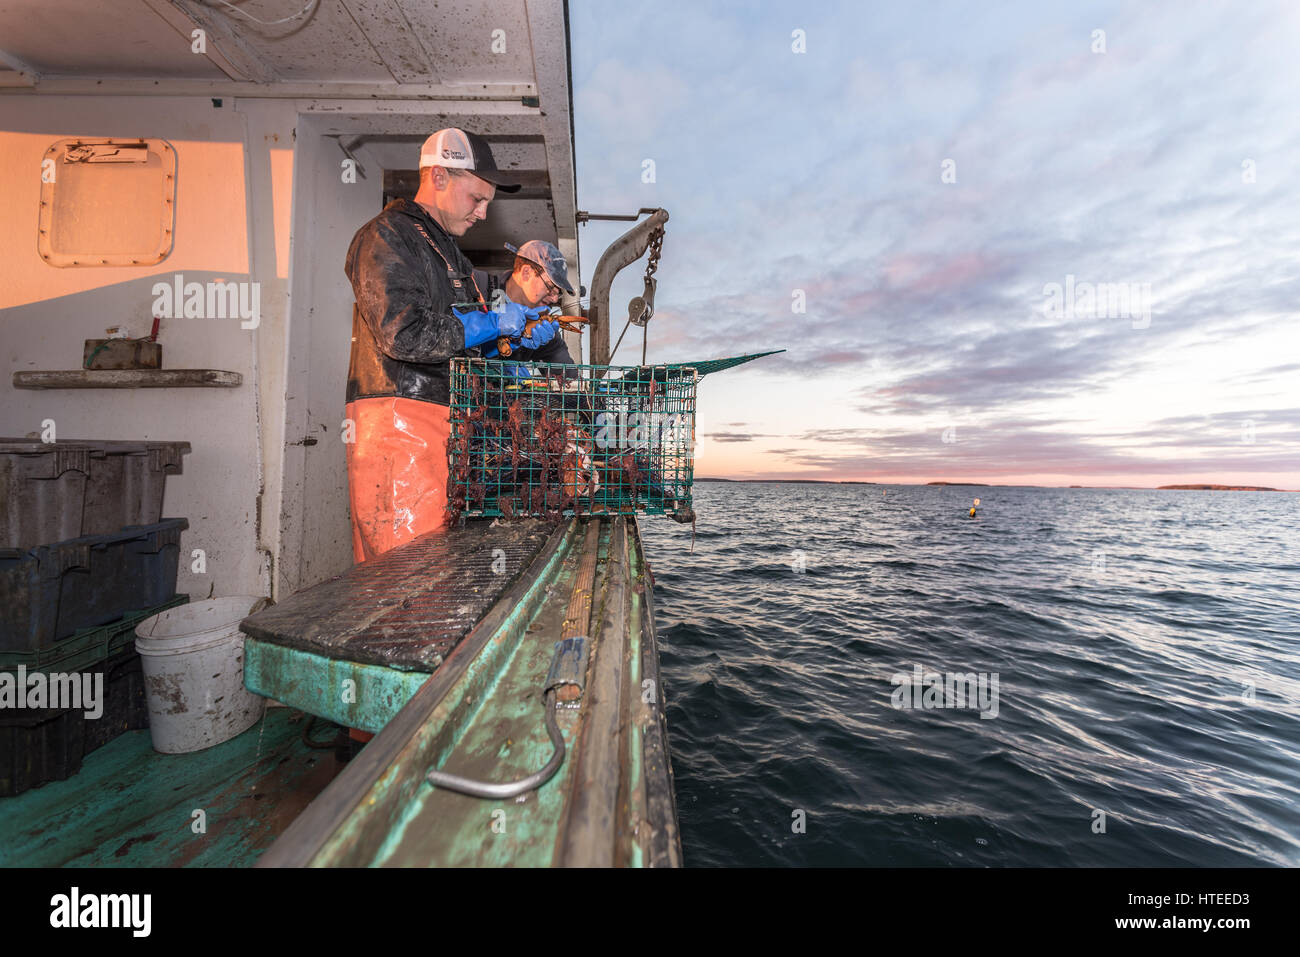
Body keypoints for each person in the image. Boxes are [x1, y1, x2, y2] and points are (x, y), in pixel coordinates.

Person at [343, 127, 542, 563]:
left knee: (440, 574)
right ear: (438, 177)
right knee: (405, 577)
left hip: (447, 430)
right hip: (401, 432)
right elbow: (403, 333)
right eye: (477, 199)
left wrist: (504, 350)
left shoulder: (450, 254)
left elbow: (459, 344)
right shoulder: (389, 236)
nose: (484, 214)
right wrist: (490, 322)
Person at [472, 240, 579, 366]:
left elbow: (568, 375)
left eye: (558, 293)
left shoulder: (542, 328)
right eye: (550, 287)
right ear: (526, 273)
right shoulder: (475, 284)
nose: (555, 299)